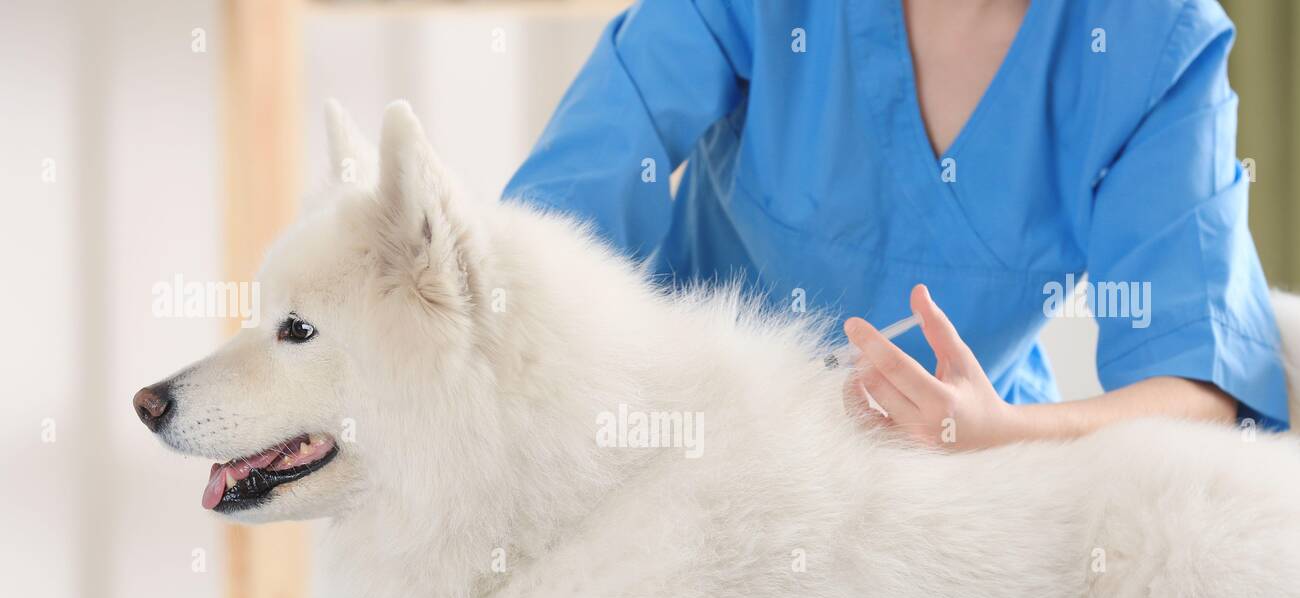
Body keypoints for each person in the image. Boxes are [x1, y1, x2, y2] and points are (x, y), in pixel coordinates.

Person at [503, 0, 1290, 448]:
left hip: (951, 492)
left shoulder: (1152, 42)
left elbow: (1200, 384)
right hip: (688, 445)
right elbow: (551, 230)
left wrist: (1002, 432)